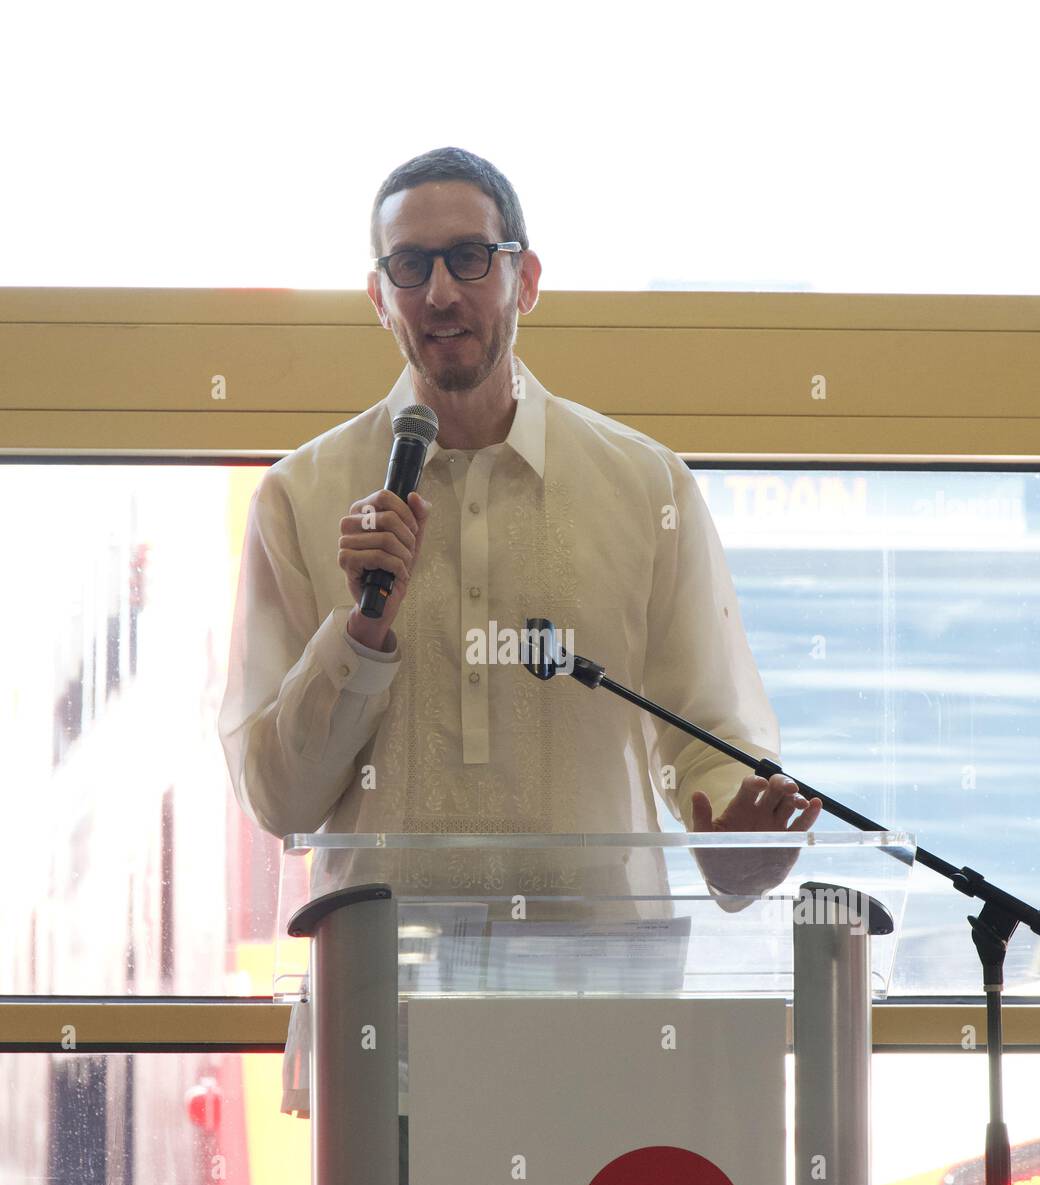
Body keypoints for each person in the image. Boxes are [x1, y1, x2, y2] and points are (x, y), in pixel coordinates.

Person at [218, 146, 821, 915]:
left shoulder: (644, 484)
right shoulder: (296, 496)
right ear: (378, 296)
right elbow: (281, 801)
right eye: (409, 265)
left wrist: (736, 848)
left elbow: (706, 735)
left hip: (606, 999)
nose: (438, 293)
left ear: (525, 280)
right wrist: (362, 634)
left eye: (469, 258)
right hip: (380, 1003)